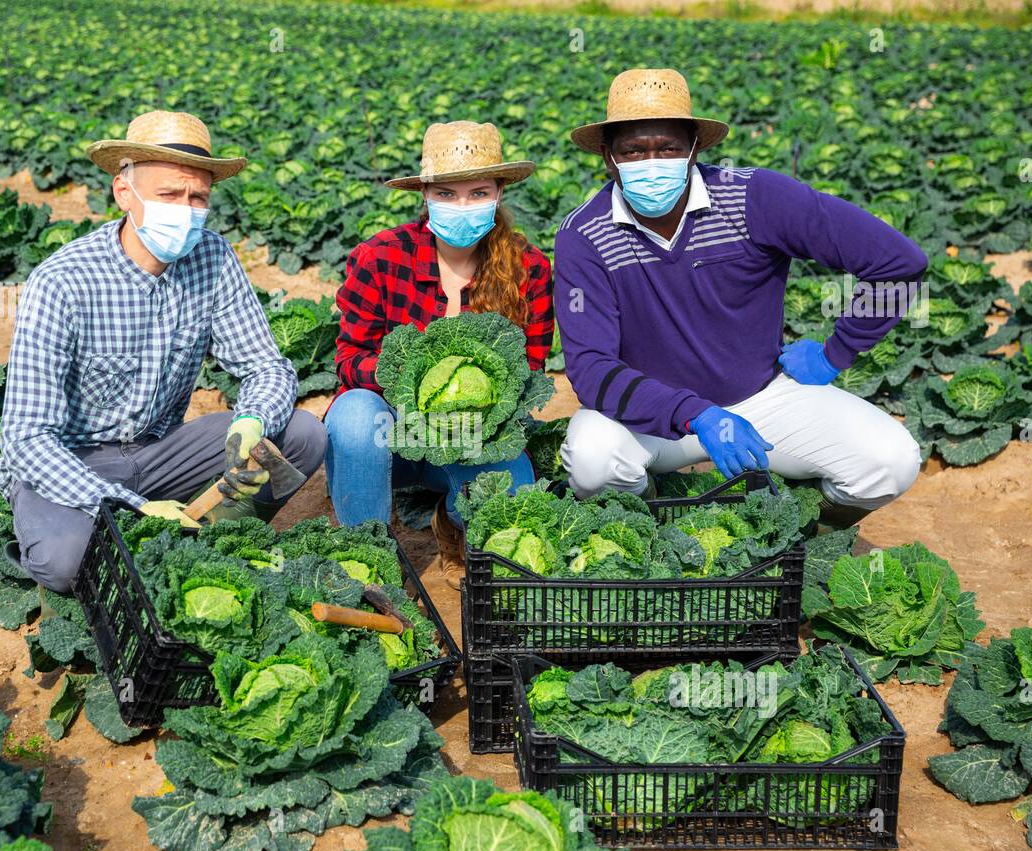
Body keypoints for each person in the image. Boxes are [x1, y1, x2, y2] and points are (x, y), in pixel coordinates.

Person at [555, 69, 927, 527]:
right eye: (633, 150)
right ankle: (648, 518)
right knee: (592, 460)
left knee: (891, 461)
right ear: (609, 159)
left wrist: (837, 353)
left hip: (762, 398)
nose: (651, 161)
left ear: (694, 148)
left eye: (668, 147)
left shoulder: (753, 196)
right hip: (653, 418)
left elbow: (898, 261)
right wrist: (694, 414)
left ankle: (797, 533)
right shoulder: (584, 235)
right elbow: (591, 368)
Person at [0, 110, 325, 593]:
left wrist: (251, 420)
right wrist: (129, 506)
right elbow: (27, 439)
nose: (186, 209)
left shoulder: (212, 258)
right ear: (123, 192)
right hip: (73, 461)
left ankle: (214, 546)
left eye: (198, 198)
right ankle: (113, 534)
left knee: (301, 435)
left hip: (159, 452)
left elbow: (266, 367)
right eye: (169, 194)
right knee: (66, 562)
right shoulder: (63, 281)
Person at [326, 120, 553, 585]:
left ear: (500, 193)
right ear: (424, 194)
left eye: (477, 192)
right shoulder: (381, 256)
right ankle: (367, 556)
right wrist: (412, 373)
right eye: (446, 194)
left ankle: (451, 520)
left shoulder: (528, 266)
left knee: (511, 505)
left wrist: (477, 412)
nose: (462, 205)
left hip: (478, 431)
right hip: (391, 430)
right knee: (351, 415)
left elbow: (530, 372)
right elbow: (349, 359)